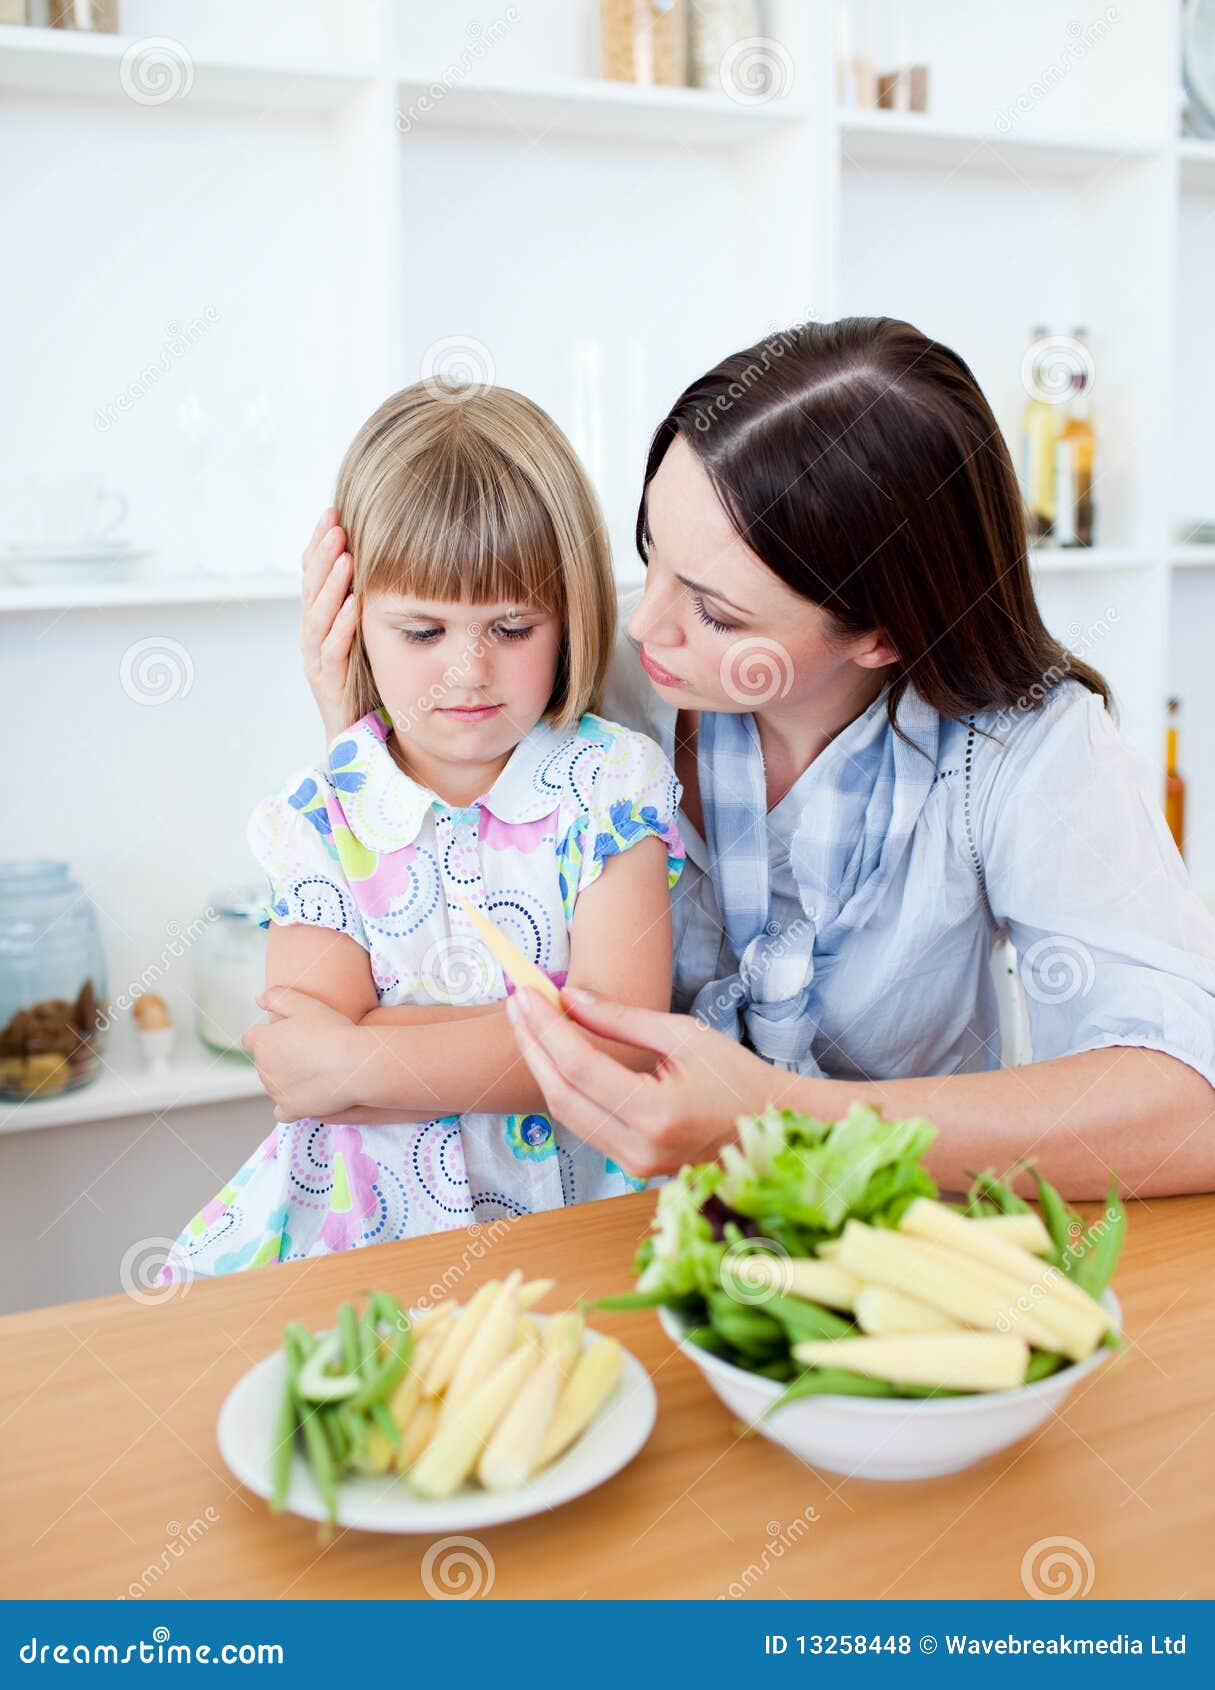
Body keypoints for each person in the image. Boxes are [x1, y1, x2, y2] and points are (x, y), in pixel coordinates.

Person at [269, 319, 1215, 1200]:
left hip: (893, 1253)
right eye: (651, 552)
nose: (643, 623)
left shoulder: (1022, 748)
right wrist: (361, 731)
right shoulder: (593, 682)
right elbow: (423, 934)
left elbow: (1187, 1107)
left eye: (716, 612)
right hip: (611, 1240)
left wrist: (777, 1118)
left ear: (882, 635)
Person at [160, 380, 683, 1278]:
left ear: (571, 618)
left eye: (512, 626)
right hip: (368, 1235)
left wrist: (362, 1055)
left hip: (575, 1227)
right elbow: (299, 1056)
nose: (468, 669)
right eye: (422, 630)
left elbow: (620, 1043)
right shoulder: (321, 810)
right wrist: (532, 1028)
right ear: (353, 618)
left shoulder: (609, 784)